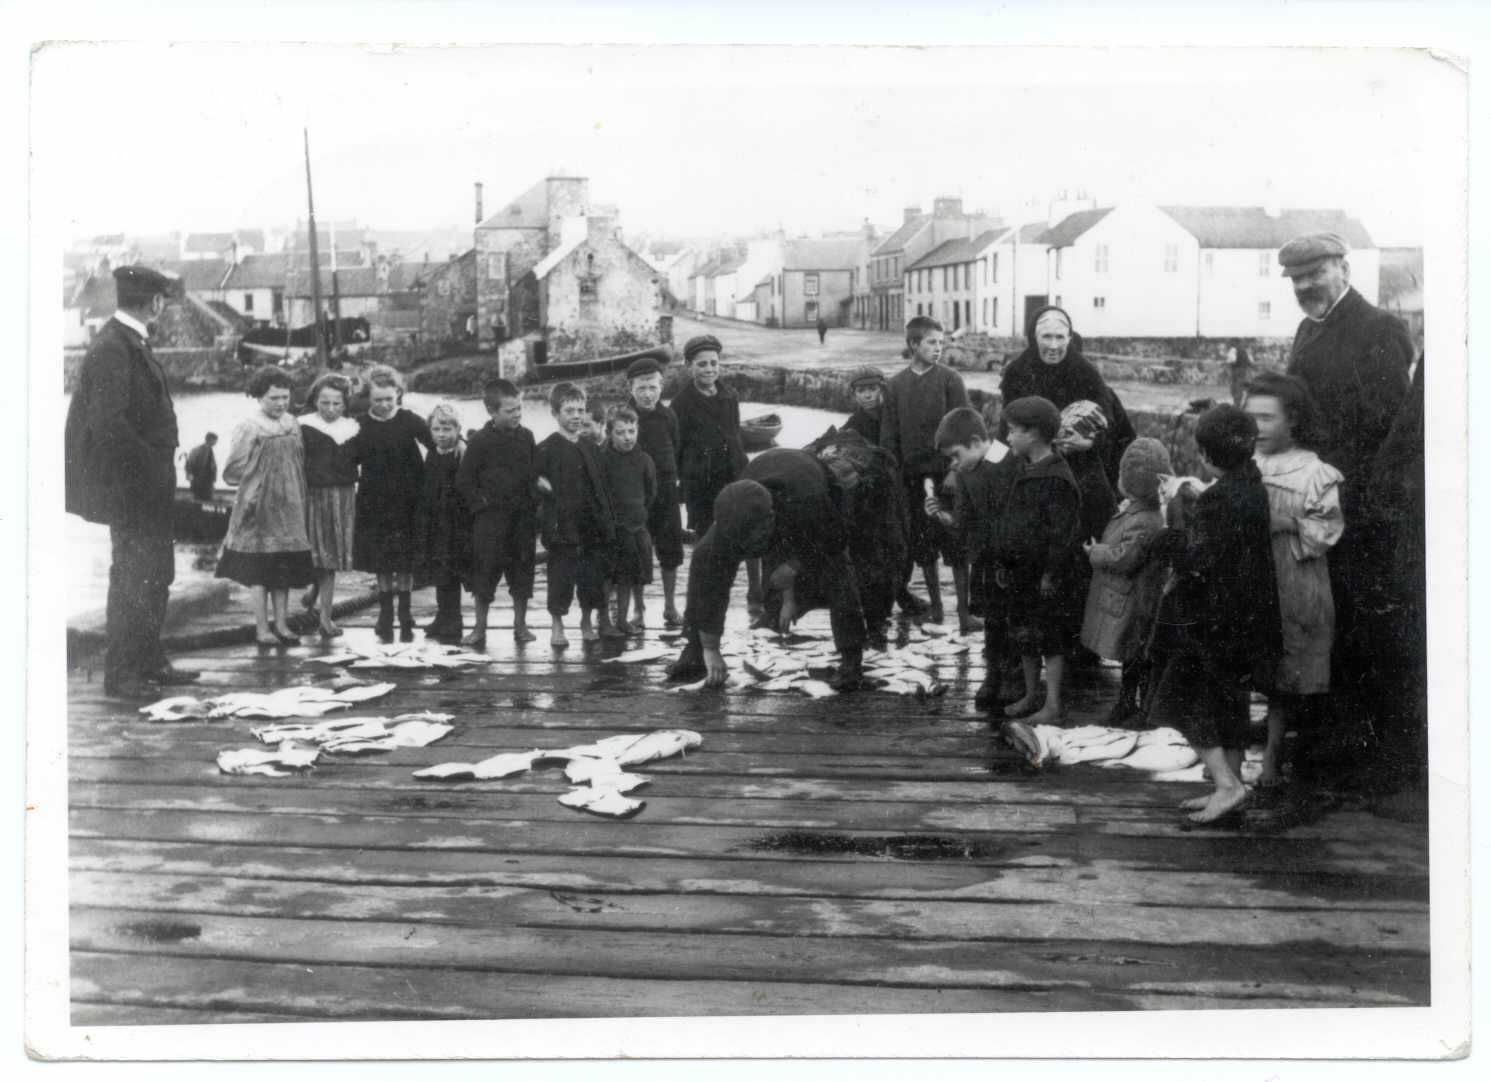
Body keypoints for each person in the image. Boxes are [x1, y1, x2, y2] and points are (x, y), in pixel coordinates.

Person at [1278, 231, 1416, 793]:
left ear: (1344, 268)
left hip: (1354, 508)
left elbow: (1391, 430)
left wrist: (1341, 490)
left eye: (1315, 274)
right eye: (1297, 278)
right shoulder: (1307, 329)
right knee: (1317, 625)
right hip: (1310, 500)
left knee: (1356, 632)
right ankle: (1320, 746)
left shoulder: (1380, 329)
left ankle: (1357, 761)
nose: (1305, 286)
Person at [65, 265, 198, 697]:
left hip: (147, 485)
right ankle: (123, 674)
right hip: (134, 488)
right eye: (162, 301)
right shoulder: (113, 348)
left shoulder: (127, 341)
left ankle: (150, 660)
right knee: (133, 577)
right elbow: (109, 426)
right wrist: (151, 468)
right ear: (155, 302)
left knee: (156, 572)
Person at [1147, 405, 1282, 826]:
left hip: (1211, 622)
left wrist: (1166, 535)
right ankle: (1232, 783)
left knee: (1182, 699)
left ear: (1205, 454)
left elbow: (1197, 558)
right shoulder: (1251, 485)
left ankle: (1226, 785)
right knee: (1229, 702)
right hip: (1246, 620)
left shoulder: (1218, 500)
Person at [667, 448, 869, 692]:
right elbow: (710, 586)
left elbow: (836, 539)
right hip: (764, 485)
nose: (747, 548)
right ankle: (694, 652)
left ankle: (851, 660)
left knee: (838, 573)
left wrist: (794, 565)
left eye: (752, 539)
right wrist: (710, 647)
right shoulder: (733, 516)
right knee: (708, 561)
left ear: (770, 520)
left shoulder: (810, 503)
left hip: (808, 490)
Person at [1242, 373, 1345, 791]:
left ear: (1294, 421)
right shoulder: (1246, 464)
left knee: (1286, 675)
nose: (1257, 427)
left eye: (1267, 418)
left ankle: (1273, 756)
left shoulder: (1314, 472)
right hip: (1252, 578)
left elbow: (1328, 529)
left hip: (1294, 580)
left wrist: (1286, 522)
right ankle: (1233, 757)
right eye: (1251, 417)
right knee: (1248, 664)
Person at [989, 397, 1084, 727]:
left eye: (1013, 431)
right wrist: (1004, 563)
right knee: (1025, 636)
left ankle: (1052, 703)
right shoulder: (1022, 469)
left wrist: (1051, 574)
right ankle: (1031, 695)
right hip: (1020, 572)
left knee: (1051, 639)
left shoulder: (1057, 479)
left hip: (1046, 577)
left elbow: (1063, 535)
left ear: (1033, 435)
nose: (1008, 438)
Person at [924, 407, 1021, 709]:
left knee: (1014, 618)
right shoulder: (966, 472)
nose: (953, 464)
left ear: (977, 441)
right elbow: (964, 521)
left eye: (956, 455)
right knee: (992, 618)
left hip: (1013, 558)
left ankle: (1014, 675)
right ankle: (994, 674)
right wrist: (942, 516)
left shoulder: (1012, 460)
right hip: (986, 559)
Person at [215, 366, 317, 647]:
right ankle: (262, 628)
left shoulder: (292, 423)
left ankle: (282, 624)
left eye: (285, 397)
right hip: (259, 506)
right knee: (260, 570)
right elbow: (233, 470)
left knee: (283, 567)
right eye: (274, 398)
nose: (281, 403)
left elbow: (300, 459)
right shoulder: (249, 426)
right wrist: (260, 482)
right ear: (259, 397)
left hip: (290, 504)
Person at [1079, 438, 1173, 726]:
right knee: (1135, 656)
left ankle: (1134, 706)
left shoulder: (1143, 519)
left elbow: (1125, 558)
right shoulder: (1142, 511)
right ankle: (1132, 704)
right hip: (1134, 597)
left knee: (1136, 655)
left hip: (1134, 600)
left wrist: (1095, 552)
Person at [881, 316, 969, 622]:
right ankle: (937, 609)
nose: (938, 348)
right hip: (912, 480)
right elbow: (889, 437)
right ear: (913, 344)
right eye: (932, 342)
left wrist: (957, 470)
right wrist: (894, 477)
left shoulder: (950, 380)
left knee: (956, 542)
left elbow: (965, 425)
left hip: (948, 476)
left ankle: (964, 612)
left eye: (941, 343)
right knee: (924, 546)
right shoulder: (894, 386)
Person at [998, 305, 1135, 485]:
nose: (1053, 346)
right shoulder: (1017, 373)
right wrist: (989, 464)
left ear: (1069, 338)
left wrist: (1090, 443)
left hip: (1079, 469)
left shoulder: (1087, 374)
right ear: (1034, 337)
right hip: (1029, 467)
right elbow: (1005, 429)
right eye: (1047, 336)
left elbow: (1113, 427)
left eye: (1060, 337)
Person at [672, 334, 760, 610]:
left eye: (714, 363)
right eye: (702, 364)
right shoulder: (680, 404)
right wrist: (685, 481)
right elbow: (678, 447)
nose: (709, 369)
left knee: (749, 529)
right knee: (704, 539)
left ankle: (755, 592)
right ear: (689, 366)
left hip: (734, 474)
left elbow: (735, 434)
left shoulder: (729, 396)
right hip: (701, 481)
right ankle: (702, 597)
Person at [804, 426, 908, 652]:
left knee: (880, 564)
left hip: (874, 513)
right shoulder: (817, 478)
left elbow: (894, 539)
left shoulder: (879, 473)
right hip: (839, 500)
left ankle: (876, 624)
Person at [352, 365, 435, 642]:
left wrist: (459, 444)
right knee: (382, 561)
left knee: (406, 561)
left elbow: (437, 442)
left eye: (389, 398)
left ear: (398, 393)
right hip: (375, 501)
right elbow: (346, 458)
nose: (385, 404)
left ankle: (405, 613)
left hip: (409, 500)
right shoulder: (359, 424)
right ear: (368, 398)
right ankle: (385, 615)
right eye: (378, 400)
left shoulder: (409, 419)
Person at [456, 378, 538, 648]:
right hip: (490, 523)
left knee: (522, 575)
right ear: (492, 411)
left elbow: (534, 472)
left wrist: (537, 492)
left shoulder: (527, 437)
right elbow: (464, 480)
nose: (517, 414)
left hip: (521, 521)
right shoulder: (480, 441)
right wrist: (481, 506)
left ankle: (520, 626)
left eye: (519, 408)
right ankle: (479, 629)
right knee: (484, 576)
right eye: (510, 410)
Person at [535, 383, 617, 647]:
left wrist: (606, 521)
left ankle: (586, 621)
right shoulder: (546, 448)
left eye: (580, 410)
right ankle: (557, 625)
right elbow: (530, 479)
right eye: (569, 411)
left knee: (591, 576)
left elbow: (601, 486)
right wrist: (539, 483)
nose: (576, 416)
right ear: (555, 413)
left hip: (590, 524)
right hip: (561, 525)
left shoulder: (590, 447)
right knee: (560, 577)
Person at [625, 355, 684, 627]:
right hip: (636, 494)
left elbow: (676, 448)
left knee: (670, 550)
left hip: (667, 492)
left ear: (661, 386)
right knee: (638, 551)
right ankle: (638, 608)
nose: (648, 394)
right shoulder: (625, 418)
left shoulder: (669, 416)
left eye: (653, 387)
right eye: (641, 388)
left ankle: (670, 606)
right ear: (631, 389)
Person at [299, 372, 359, 639]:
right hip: (312, 495)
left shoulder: (353, 428)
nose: (331, 409)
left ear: (345, 404)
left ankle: (325, 618)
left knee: (331, 556)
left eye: (337, 403)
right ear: (315, 401)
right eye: (325, 403)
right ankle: (314, 589)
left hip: (343, 496)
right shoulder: (302, 426)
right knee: (315, 552)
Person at [417, 403, 473, 643]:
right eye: (437, 429)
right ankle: (442, 615)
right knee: (439, 570)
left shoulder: (461, 453)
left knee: (452, 571)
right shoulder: (433, 453)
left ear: (458, 430)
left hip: (455, 523)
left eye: (447, 429)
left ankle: (454, 619)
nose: (441, 434)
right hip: (435, 521)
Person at [600, 405, 658, 636]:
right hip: (612, 528)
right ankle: (604, 621)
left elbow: (651, 493)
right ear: (609, 433)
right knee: (607, 576)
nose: (627, 437)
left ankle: (623, 620)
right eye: (620, 432)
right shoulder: (603, 460)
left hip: (636, 527)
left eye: (631, 431)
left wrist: (639, 514)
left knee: (629, 577)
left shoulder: (644, 460)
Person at [842, 366, 887, 445]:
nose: (867, 395)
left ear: (882, 390)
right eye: (861, 391)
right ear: (854, 394)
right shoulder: (854, 422)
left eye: (873, 389)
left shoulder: (896, 415)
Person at [183, 432, 218, 501]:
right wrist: (189, 474)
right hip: (200, 480)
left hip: (206, 481)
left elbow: (212, 467)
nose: (216, 443)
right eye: (215, 440)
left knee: (204, 499)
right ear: (211, 440)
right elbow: (190, 463)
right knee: (200, 499)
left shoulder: (208, 450)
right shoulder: (199, 450)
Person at [1228, 340, 1255, 408]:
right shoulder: (1246, 351)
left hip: (1236, 371)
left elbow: (1232, 361)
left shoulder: (1233, 350)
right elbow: (1251, 362)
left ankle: (1237, 404)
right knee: (1241, 387)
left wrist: (1230, 364)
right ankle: (1240, 403)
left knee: (1236, 387)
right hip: (1244, 371)